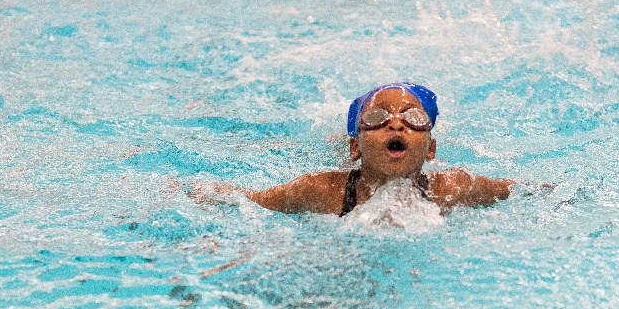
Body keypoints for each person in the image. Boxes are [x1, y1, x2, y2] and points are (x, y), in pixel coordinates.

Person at [198, 84, 512, 215]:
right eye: (377, 118)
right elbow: (251, 200)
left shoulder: (453, 187)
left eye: (414, 119)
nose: (396, 125)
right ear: (355, 147)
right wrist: (200, 192)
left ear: (431, 149)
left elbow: (519, 191)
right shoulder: (320, 190)